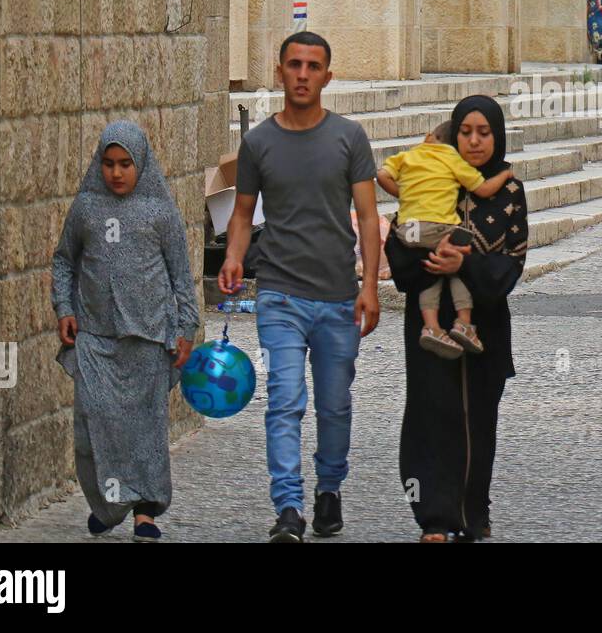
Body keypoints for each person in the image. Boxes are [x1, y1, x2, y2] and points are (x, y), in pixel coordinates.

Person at [220, 30, 381, 543]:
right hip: (280, 294)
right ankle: (287, 506)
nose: (303, 75)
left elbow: (369, 215)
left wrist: (370, 285)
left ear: (327, 76)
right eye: (294, 65)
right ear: (280, 72)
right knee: (284, 398)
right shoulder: (258, 143)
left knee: (335, 404)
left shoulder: (349, 138)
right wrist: (233, 257)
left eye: (313, 67)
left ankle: (329, 487)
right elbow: (243, 213)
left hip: (337, 295)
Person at [387, 96, 528, 542]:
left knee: (477, 420)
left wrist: (463, 266)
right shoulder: (428, 175)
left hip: (482, 321)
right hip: (430, 321)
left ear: (497, 135)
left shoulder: (508, 191)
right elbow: (399, 243)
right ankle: (434, 516)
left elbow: (511, 264)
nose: (473, 141)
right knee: (431, 414)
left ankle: (472, 512)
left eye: (483, 132)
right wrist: (434, 259)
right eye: (465, 131)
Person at [52, 121, 197, 543]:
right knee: (93, 423)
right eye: (109, 164)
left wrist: (186, 326)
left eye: (126, 164)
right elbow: (64, 260)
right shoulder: (85, 209)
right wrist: (64, 307)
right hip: (95, 338)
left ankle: (145, 513)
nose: (116, 173)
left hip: (149, 337)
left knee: (146, 431)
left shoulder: (160, 212)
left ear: (141, 164)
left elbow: (180, 274)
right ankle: (107, 504)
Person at [376, 121, 517, 358]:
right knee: (457, 263)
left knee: (431, 274)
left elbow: (381, 174)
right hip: (439, 227)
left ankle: (431, 326)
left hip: (408, 229)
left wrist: (408, 195)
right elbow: (483, 189)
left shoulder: (409, 156)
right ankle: (464, 322)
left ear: (428, 135)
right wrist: (505, 173)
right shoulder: (452, 159)